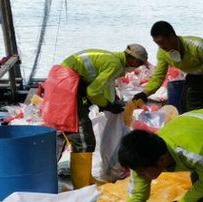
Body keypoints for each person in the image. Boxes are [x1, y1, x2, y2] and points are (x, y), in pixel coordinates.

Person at [57, 45, 148, 187]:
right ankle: (81, 186)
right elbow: (93, 91)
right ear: (133, 60)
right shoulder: (115, 64)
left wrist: (112, 101)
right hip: (65, 86)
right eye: (139, 64)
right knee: (83, 140)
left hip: (67, 83)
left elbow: (104, 85)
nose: (137, 67)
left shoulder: (113, 59)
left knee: (85, 138)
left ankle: (87, 179)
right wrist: (108, 105)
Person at [135, 21, 203, 112]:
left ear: (172, 37)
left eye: (162, 42)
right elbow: (158, 77)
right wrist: (145, 94)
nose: (161, 47)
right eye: (157, 44)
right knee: (188, 110)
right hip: (194, 77)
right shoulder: (162, 53)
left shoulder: (198, 46)